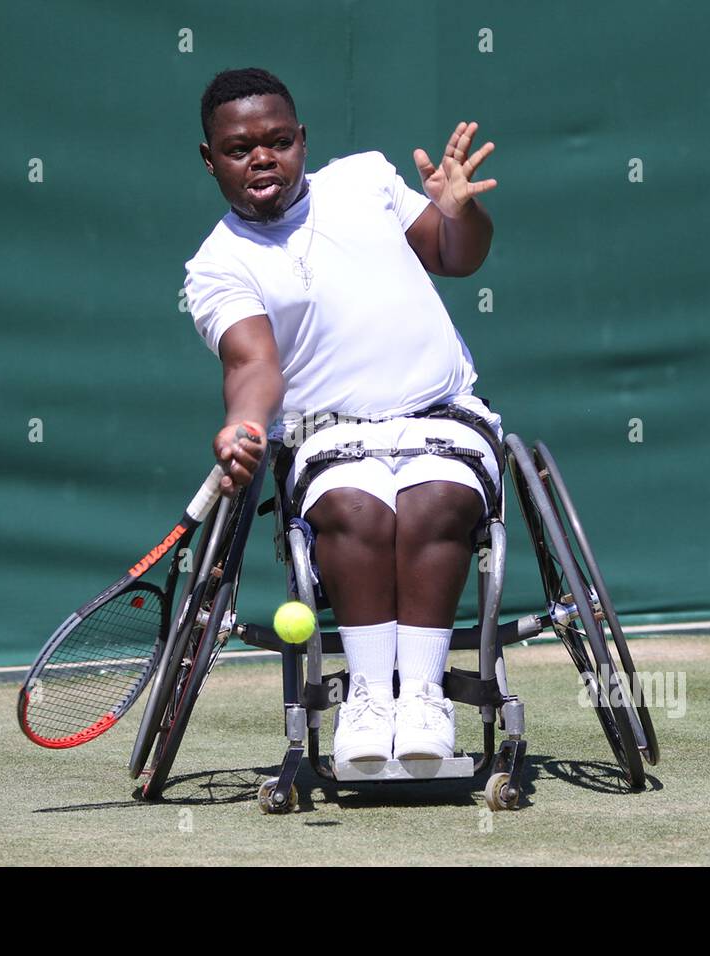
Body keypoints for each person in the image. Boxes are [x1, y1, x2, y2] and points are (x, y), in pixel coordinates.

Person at [183, 67, 500, 763]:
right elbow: (253, 366)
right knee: (357, 509)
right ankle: (366, 698)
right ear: (211, 160)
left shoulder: (365, 180)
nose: (262, 158)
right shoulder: (217, 266)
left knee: (437, 498)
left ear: (301, 140)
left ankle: (419, 697)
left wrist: (458, 212)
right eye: (239, 149)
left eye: (277, 142)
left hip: (440, 412)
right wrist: (244, 426)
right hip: (328, 440)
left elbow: (457, 256)